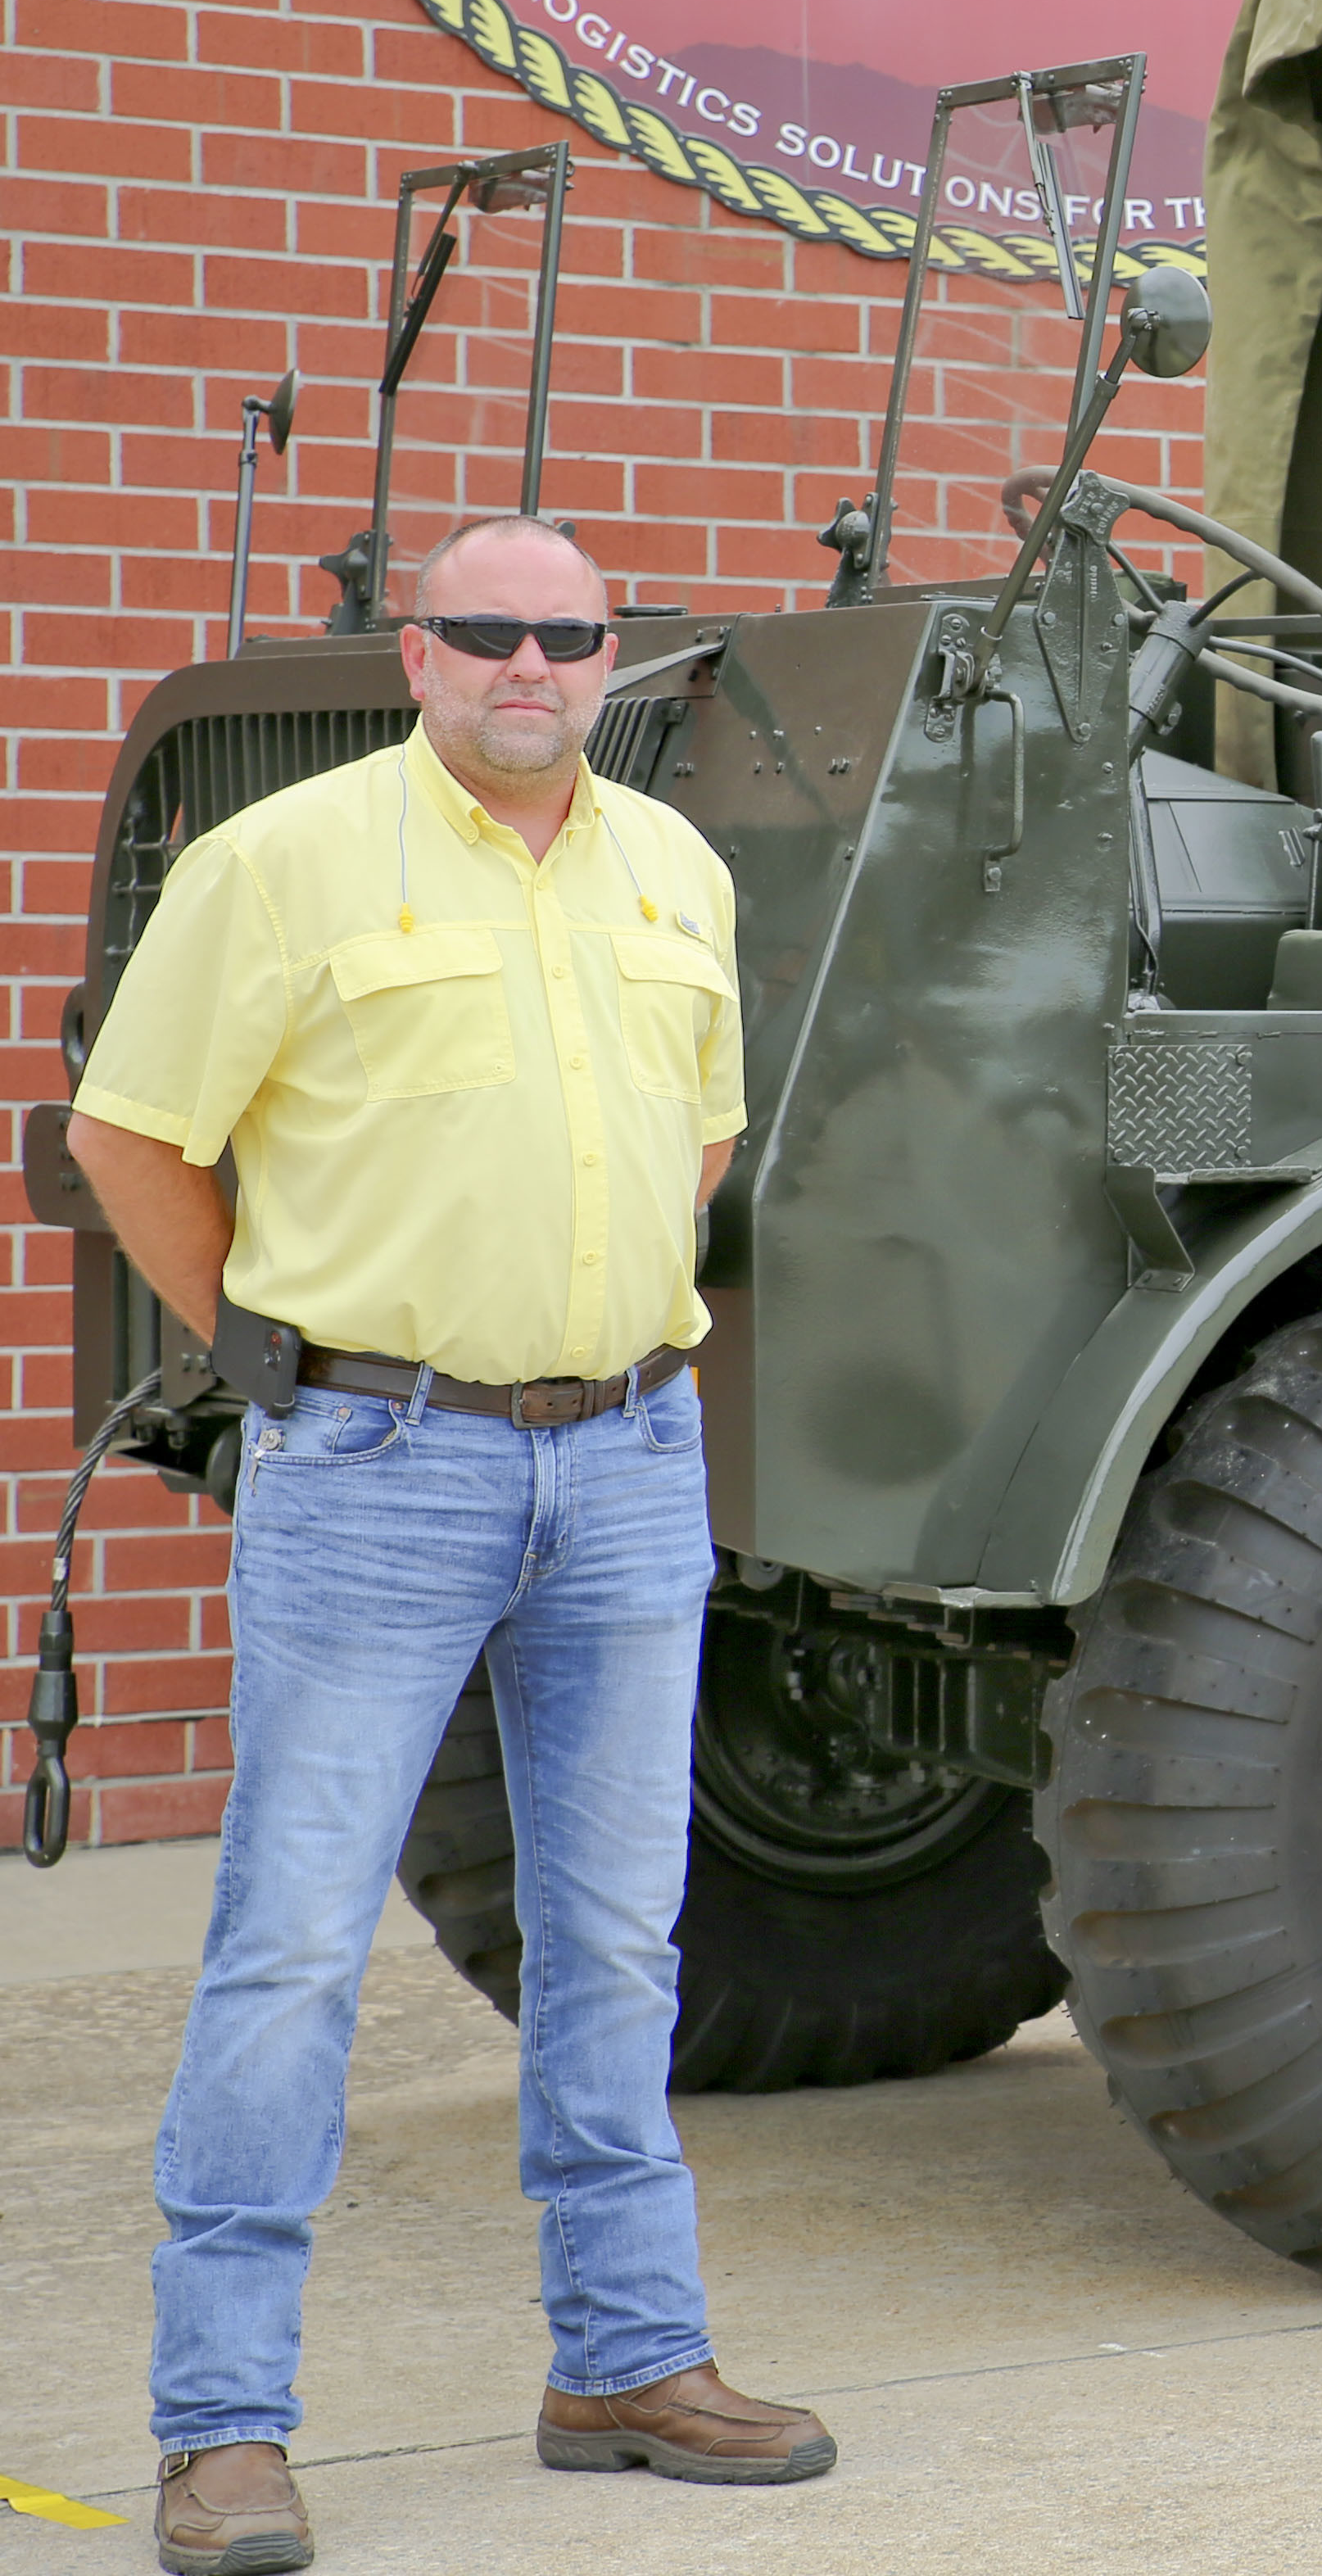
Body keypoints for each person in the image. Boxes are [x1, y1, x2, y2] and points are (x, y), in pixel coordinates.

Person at [65, 516, 825, 2576]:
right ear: (418, 655)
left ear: (610, 662)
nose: (528, 666)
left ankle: (628, 2361)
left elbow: (700, 1140)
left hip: (631, 1458)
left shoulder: (676, 871)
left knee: (618, 1935)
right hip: (379, 1460)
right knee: (296, 1942)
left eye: (568, 637)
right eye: (485, 631)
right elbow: (129, 1133)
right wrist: (270, 1354)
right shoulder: (285, 862)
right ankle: (223, 2425)